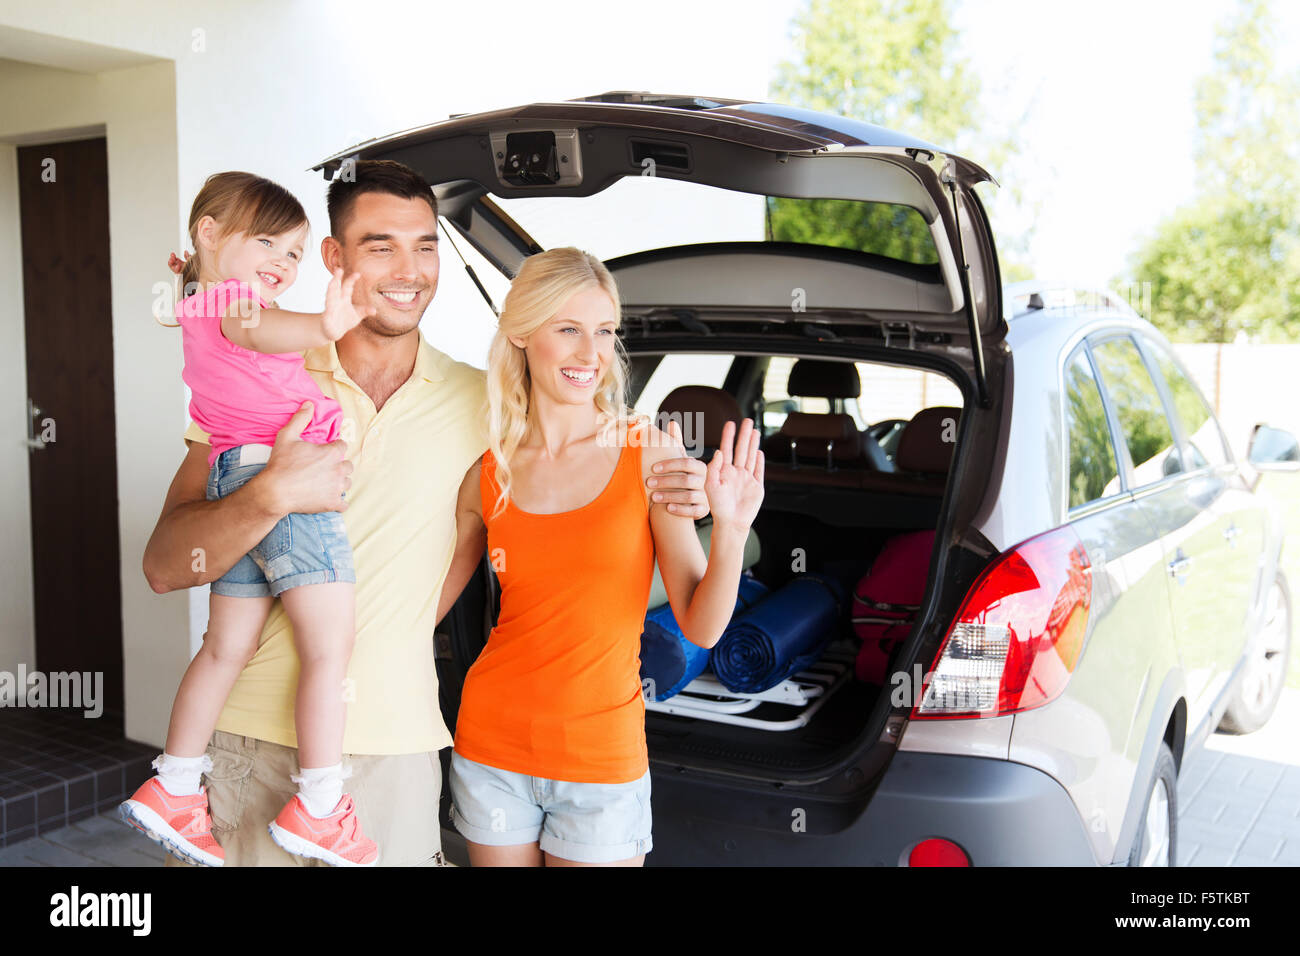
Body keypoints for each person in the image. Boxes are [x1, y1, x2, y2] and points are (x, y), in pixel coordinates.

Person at [140, 161, 712, 866]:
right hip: (248, 742)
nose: (408, 269)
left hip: (398, 752)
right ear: (333, 258)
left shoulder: (486, 408)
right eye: (380, 245)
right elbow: (165, 567)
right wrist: (268, 494)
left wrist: (679, 478)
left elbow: (583, 424)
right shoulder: (261, 374)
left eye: (426, 246)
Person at [442, 247, 765, 867]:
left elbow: (700, 625)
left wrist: (729, 529)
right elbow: (425, 608)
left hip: (599, 762)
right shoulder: (487, 474)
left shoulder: (648, 453)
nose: (590, 354)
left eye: (604, 331)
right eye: (568, 329)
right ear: (520, 333)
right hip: (490, 746)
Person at [122, 172, 380, 867]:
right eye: (268, 241)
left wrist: (190, 270)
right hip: (285, 481)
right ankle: (323, 806)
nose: (285, 263)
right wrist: (324, 325)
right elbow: (258, 326)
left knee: (223, 648)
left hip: (232, 472)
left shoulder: (200, 300)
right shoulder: (236, 304)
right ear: (210, 232)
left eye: (294, 252)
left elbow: (184, 307)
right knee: (328, 648)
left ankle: (175, 783)